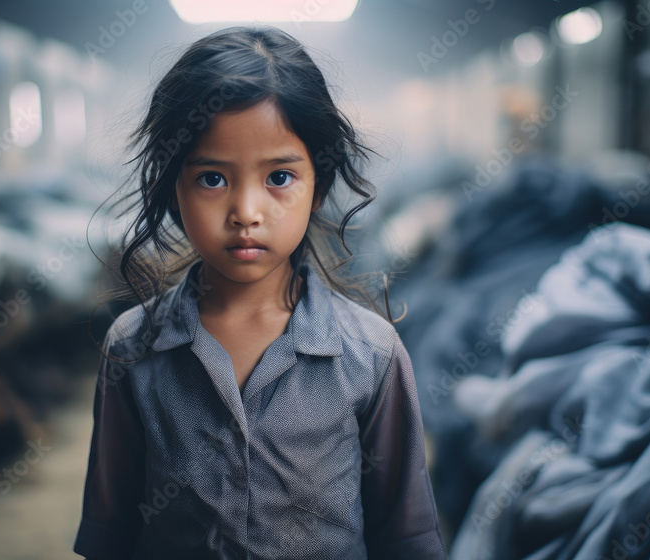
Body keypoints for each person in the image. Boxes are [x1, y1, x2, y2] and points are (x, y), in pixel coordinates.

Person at [74, 26, 447, 560]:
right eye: (211, 179)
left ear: (317, 182)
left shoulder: (371, 354)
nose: (246, 211)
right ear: (172, 185)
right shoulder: (133, 349)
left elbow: (407, 540)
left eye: (278, 177)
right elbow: (110, 538)